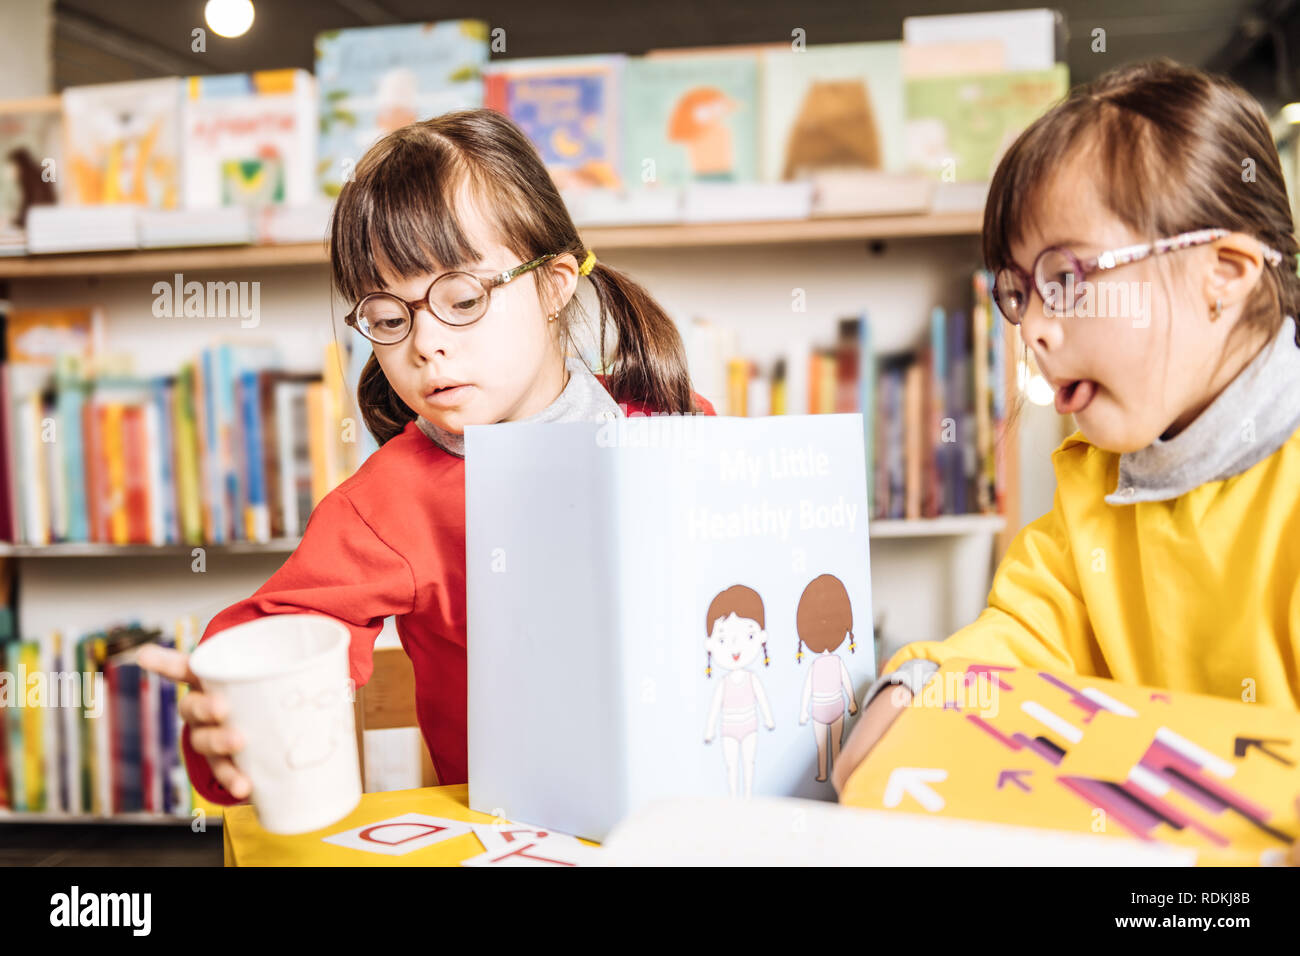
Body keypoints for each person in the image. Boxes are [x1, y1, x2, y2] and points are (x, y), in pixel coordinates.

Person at [139, 108, 715, 804]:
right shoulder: (392, 502)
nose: (426, 344)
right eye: (389, 317)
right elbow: (276, 630)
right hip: (516, 836)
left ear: (555, 283)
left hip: (703, 804)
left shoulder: (675, 423)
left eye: (463, 298)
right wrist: (228, 711)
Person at [834, 61, 1300, 870]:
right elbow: (1023, 633)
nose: (1034, 329)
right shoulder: (1098, 474)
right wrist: (922, 684)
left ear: (1221, 273)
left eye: (1069, 278)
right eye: (1019, 291)